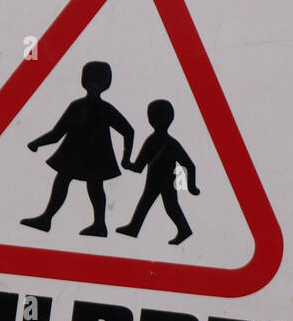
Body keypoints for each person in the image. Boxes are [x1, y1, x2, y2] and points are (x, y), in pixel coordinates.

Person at [21, 61, 133, 237]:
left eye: (98, 81)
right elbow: (56, 133)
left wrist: (126, 158)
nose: (94, 85)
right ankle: (47, 219)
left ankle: (99, 225)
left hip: (93, 159)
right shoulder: (78, 106)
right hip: (74, 156)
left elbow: (129, 131)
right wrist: (37, 143)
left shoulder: (103, 109)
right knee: (65, 181)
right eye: (91, 80)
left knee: (92, 187)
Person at [116, 100, 199, 245]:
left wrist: (127, 164)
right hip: (158, 181)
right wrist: (191, 186)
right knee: (151, 204)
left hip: (162, 182)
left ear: (150, 119)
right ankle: (134, 227)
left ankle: (184, 229)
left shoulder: (154, 141)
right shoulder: (169, 142)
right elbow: (189, 165)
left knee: (168, 206)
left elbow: (138, 167)